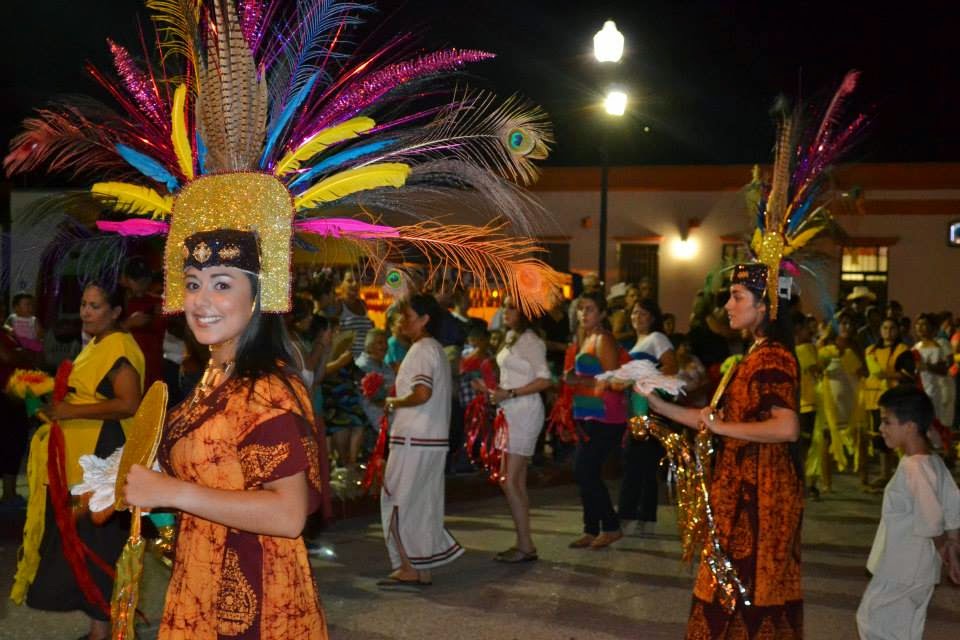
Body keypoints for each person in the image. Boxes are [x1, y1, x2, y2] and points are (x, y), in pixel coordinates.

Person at [124, 229, 327, 638]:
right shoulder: (215, 375)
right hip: (198, 577)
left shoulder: (264, 389)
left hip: (255, 596)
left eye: (221, 284)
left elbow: (288, 515)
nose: (200, 301)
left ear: (257, 297)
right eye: (193, 284)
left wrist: (168, 491)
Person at [644, 263, 803, 637]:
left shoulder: (774, 357)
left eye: (737, 297)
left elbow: (787, 427)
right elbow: (711, 417)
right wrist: (659, 404)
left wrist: (719, 427)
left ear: (764, 307)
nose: (728, 306)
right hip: (741, 489)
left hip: (761, 492)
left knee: (745, 589)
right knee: (731, 586)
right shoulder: (754, 353)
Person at [19, 283, 145, 640]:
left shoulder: (118, 347)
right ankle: (98, 630)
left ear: (116, 311)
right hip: (84, 453)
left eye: (96, 306)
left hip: (103, 455)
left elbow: (129, 403)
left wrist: (70, 410)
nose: (87, 312)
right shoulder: (99, 343)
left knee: (97, 541)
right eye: (84, 305)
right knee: (85, 540)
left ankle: (103, 633)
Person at [856, 385, 960, 640]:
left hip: (902, 567)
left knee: (875, 622)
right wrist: (953, 546)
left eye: (886, 422)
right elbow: (952, 505)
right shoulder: (933, 462)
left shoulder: (913, 467)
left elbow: (932, 517)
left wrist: (946, 550)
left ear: (910, 426)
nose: (881, 429)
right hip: (917, 569)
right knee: (904, 628)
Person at [380, 294, 463, 586]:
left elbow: (422, 393)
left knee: (398, 502)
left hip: (414, 440)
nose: (403, 322)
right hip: (428, 439)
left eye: (408, 316)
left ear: (425, 319)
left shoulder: (422, 350)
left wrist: (393, 401)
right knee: (421, 503)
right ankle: (420, 566)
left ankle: (409, 567)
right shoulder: (433, 349)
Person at [481, 296, 552, 562]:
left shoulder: (531, 340)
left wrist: (509, 393)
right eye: (506, 306)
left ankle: (525, 544)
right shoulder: (511, 336)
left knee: (508, 480)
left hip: (523, 410)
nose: (505, 311)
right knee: (514, 481)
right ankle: (524, 543)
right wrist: (495, 393)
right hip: (510, 409)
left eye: (511, 306)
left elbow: (545, 379)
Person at [566, 291, 629, 549]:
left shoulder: (603, 339)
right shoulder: (587, 338)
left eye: (590, 309)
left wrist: (577, 380)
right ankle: (591, 529)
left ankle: (611, 526)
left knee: (585, 471)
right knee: (584, 473)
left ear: (602, 313)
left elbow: (612, 380)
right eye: (581, 309)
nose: (584, 314)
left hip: (606, 415)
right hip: (588, 412)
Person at [619, 298, 677, 536]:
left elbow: (672, 369)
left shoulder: (657, 338)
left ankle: (630, 516)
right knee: (640, 464)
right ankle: (643, 518)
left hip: (650, 408)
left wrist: (645, 382)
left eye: (642, 313)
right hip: (637, 407)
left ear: (652, 317)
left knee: (638, 463)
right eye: (634, 313)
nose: (637, 317)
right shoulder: (637, 343)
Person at [862, 318, 910, 487]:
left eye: (892, 328)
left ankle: (908, 474)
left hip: (894, 399)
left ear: (898, 330)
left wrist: (886, 376)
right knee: (881, 437)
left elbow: (907, 374)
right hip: (874, 399)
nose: (888, 331)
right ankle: (885, 474)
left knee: (899, 435)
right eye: (885, 327)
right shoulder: (870, 351)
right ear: (880, 330)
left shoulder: (903, 350)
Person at [119, 256, 167, 387]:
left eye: (145, 279)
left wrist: (169, 315)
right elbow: (102, 334)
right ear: (125, 279)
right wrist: (129, 323)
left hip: (153, 371)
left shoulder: (158, 302)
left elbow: (182, 332)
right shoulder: (116, 302)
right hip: (126, 370)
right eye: (136, 279)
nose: (142, 283)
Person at [794, 311, 820, 496]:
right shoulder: (805, 349)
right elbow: (816, 372)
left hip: (800, 402)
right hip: (807, 402)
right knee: (806, 445)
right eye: (806, 328)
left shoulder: (794, 348)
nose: (810, 331)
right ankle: (802, 483)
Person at [914, 313, 955, 430]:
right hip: (920, 388)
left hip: (936, 388)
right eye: (918, 324)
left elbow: (945, 367)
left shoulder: (938, 345)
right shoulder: (916, 347)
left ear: (932, 328)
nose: (920, 327)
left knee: (937, 421)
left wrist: (926, 366)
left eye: (924, 324)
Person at [356, 328, 396, 433]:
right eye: (380, 343)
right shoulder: (361, 366)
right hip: (372, 415)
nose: (384, 346)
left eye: (385, 342)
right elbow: (375, 399)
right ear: (369, 346)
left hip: (390, 410)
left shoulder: (386, 367)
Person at [334, 270, 374, 359]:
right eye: (350, 281)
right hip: (348, 362)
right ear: (341, 283)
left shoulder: (363, 304)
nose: (355, 284)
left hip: (366, 360)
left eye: (358, 280)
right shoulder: (338, 304)